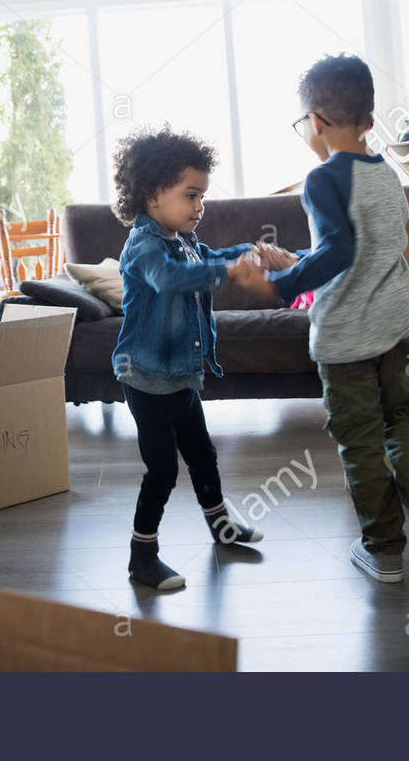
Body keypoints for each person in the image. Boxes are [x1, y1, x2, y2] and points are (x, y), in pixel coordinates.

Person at [236, 55, 409, 585]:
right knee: (401, 418)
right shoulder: (387, 174)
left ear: (315, 122)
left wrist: (278, 284)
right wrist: (300, 260)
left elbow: (340, 250)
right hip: (401, 323)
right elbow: (365, 247)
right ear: (369, 119)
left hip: (350, 337)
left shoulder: (322, 179)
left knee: (359, 439)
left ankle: (382, 548)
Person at [110, 127, 268, 591]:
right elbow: (174, 279)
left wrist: (253, 253)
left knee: (202, 454)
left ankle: (222, 527)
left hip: (180, 376)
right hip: (145, 377)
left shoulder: (183, 239)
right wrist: (230, 272)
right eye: (191, 195)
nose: (201, 207)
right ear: (152, 194)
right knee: (161, 470)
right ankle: (142, 556)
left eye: (203, 196)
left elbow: (211, 257)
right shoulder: (144, 247)